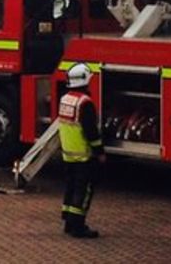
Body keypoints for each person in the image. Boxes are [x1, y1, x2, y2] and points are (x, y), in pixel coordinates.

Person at [59, 63, 105, 239]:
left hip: (68, 154)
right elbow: (91, 132)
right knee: (83, 190)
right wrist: (99, 151)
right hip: (83, 155)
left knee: (71, 187)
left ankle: (69, 222)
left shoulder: (65, 99)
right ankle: (78, 226)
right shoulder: (85, 103)